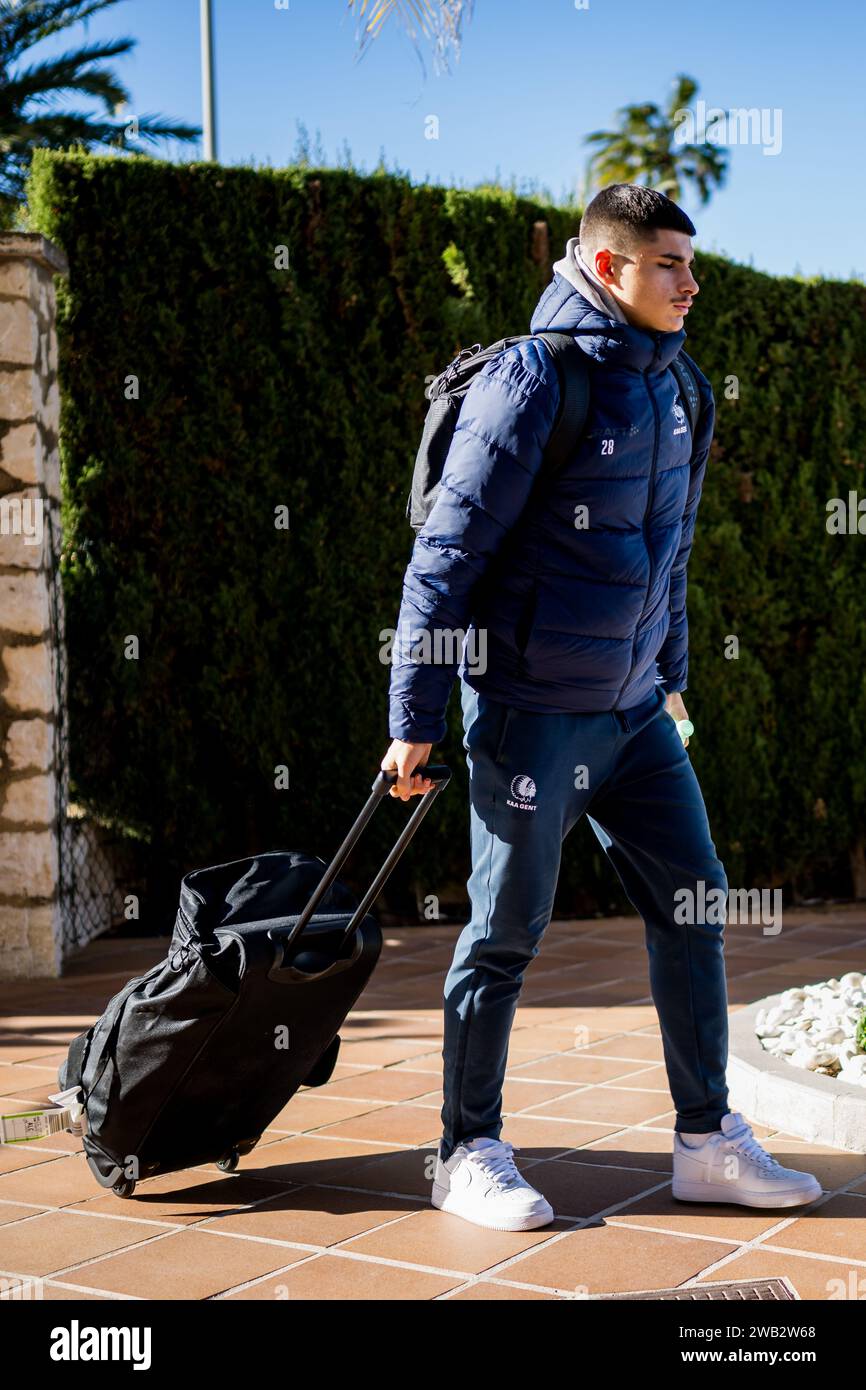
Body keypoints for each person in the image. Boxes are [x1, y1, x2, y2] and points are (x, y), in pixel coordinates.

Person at [380, 184, 821, 1231]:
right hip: (530, 712)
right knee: (502, 932)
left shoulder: (679, 386)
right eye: (668, 264)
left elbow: (665, 557)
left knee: (693, 900)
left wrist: (667, 679)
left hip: (632, 716)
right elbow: (444, 557)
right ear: (607, 265)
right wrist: (416, 714)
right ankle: (465, 1148)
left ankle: (704, 1139)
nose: (690, 283)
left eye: (690, 263)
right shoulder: (534, 381)